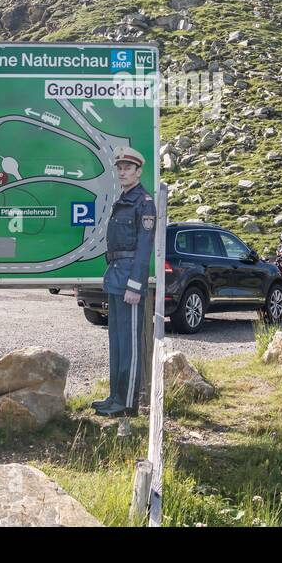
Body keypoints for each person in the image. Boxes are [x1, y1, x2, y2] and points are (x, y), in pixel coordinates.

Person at [93, 146, 155, 418]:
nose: (122, 171)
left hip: (129, 278)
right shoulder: (124, 199)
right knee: (117, 341)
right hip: (116, 276)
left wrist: (135, 285)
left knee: (129, 344)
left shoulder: (144, 202)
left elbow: (144, 248)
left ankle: (127, 403)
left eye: (128, 167)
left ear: (139, 171)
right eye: (119, 167)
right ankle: (115, 396)